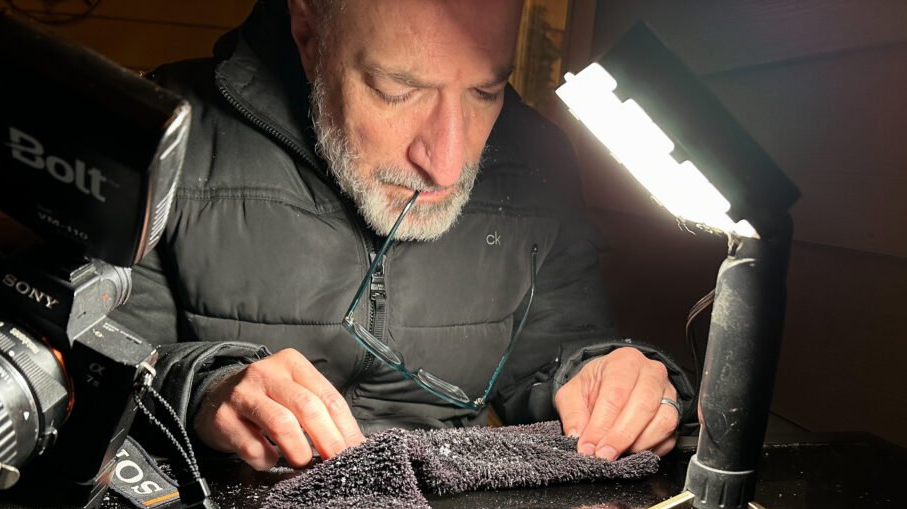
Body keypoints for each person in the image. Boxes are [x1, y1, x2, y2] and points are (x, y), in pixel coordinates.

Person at [113, 0, 694, 472]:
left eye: (485, 92)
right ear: (309, 34)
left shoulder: (539, 160)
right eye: (398, 90)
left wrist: (607, 381)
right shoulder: (165, 135)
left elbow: (559, 357)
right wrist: (208, 390)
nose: (446, 163)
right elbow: (94, 367)